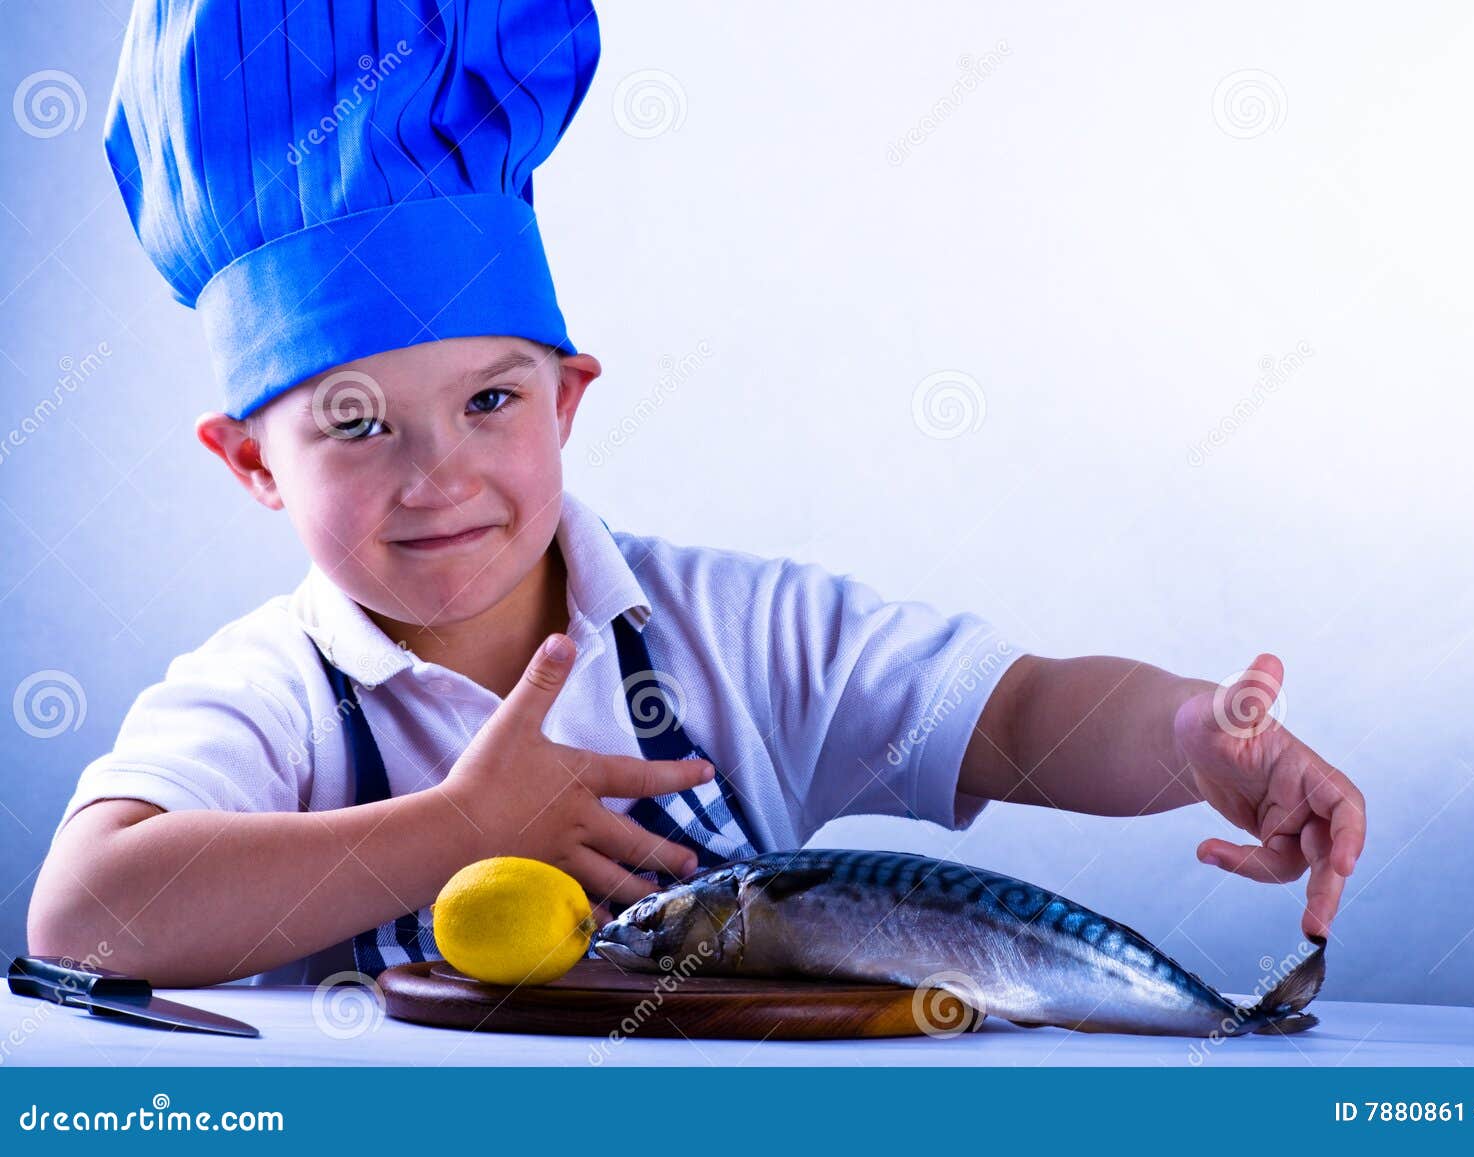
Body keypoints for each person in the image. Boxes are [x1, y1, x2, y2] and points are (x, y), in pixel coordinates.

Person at [28, 0, 1365, 987]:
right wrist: (456, 828)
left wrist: (1184, 734)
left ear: (567, 400)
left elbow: (1012, 713)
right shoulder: (274, 698)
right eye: (356, 422)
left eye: (491, 402)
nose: (438, 474)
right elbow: (83, 916)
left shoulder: (737, 636)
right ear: (252, 462)